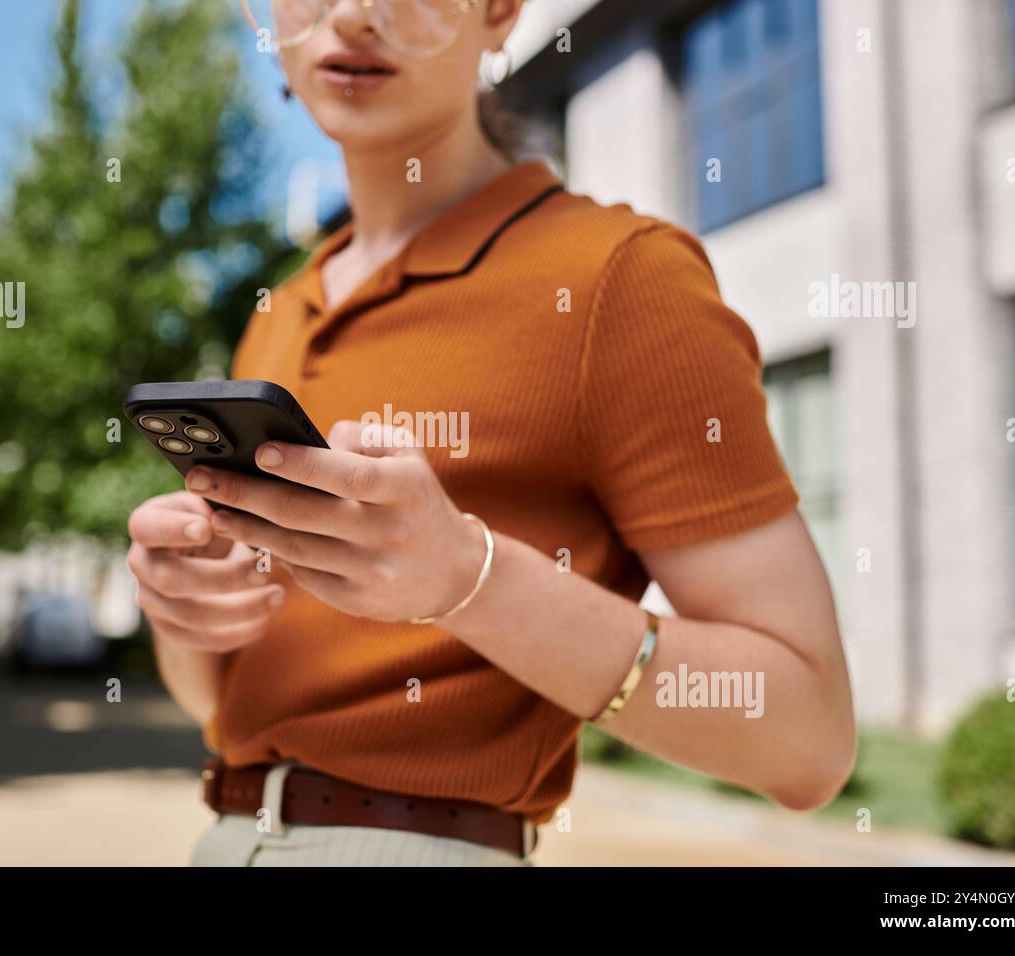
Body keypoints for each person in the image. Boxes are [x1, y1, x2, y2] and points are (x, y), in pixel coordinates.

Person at [125, 0, 855, 867]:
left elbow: (808, 738)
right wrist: (185, 612)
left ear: (500, 13)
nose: (352, 15)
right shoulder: (279, 313)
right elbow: (218, 708)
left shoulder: (622, 280)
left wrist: (465, 577)